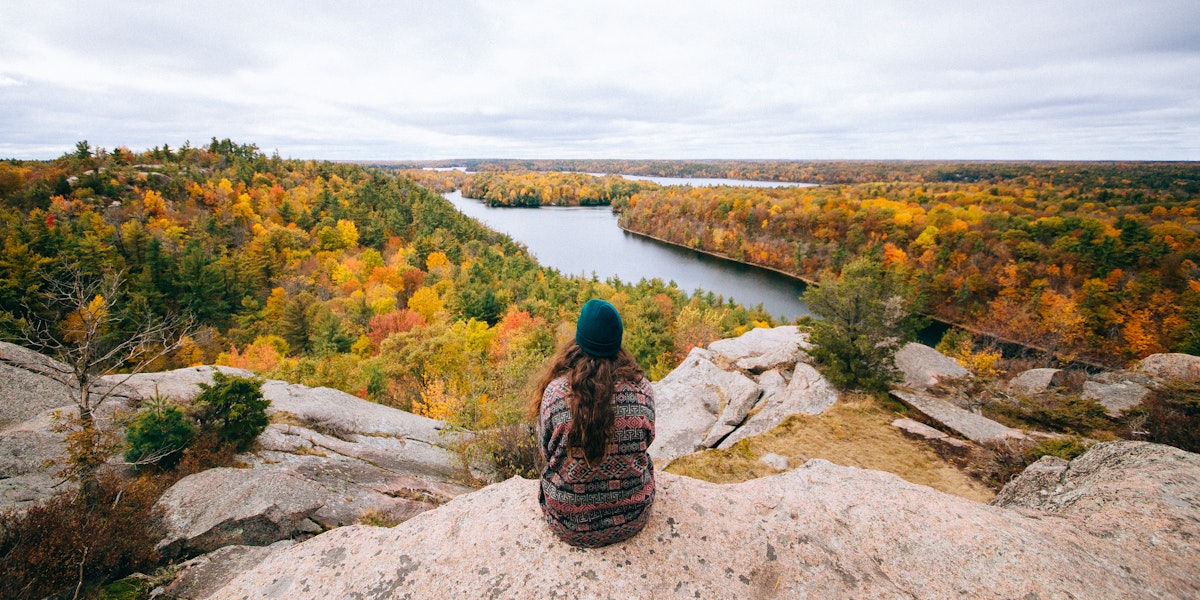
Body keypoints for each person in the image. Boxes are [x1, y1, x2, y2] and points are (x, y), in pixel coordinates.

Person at [528, 298, 656, 548]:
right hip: (632, 517)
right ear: (617, 342)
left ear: (578, 340)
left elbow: (546, 452)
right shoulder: (642, 390)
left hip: (567, 521)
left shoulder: (556, 394)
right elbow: (647, 441)